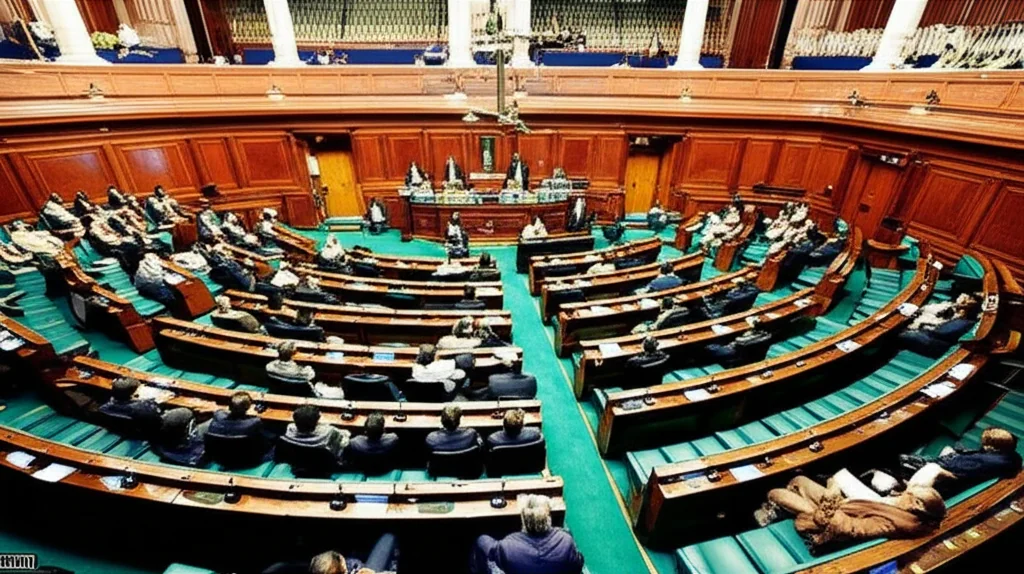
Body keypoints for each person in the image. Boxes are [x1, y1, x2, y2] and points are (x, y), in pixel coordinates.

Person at [755, 469, 946, 547]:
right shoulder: (905, 509)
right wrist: (836, 494)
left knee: (775, 493)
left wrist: (830, 503)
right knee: (799, 480)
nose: (906, 490)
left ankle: (775, 511)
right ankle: (784, 507)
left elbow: (847, 528)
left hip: (824, 520)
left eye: (910, 492)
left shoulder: (894, 524)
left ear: (916, 504)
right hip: (843, 506)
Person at [471, 494, 584, 574]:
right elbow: (578, 565)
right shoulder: (565, 540)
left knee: (481, 540)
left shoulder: (507, 547)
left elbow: (484, 543)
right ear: (548, 517)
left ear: (523, 519)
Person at [899, 427, 1022, 493]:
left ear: (992, 446)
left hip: (945, 474)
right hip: (959, 465)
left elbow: (951, 468)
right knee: (949, 449)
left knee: (902, 461)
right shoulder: (1014, 457)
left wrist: (931, 463)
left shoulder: (984, 460)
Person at [899, 294, 980, 355]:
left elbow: (928, 323)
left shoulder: (956, 320)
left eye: (968, 299)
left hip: (929, 334)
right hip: (926, 323)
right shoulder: (949, 309)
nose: (963, 297)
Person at [283, 404, 349, 460]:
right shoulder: (329, 432)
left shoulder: (290, 428)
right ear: (317, 422)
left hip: (300, 460)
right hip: (325, 462)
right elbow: (345, 441)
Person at [98, 376, 162, 432]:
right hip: (140, 432)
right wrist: (156, 401)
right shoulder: (145, 408)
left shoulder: (104, 407)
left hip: (118, 429)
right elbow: (156, 420)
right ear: (134, 394)